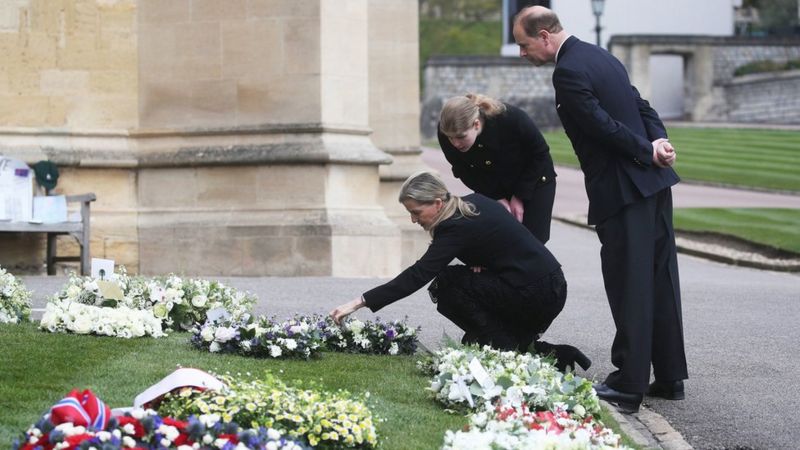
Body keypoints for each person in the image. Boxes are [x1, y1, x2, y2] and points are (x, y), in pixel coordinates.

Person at [512, 6, 688, 413]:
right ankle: (669, 376)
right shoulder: (601, 55)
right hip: (655, 185)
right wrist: (659, 142)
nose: (522, 54)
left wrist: (648, 149)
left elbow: (600, 125)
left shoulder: (568, 71)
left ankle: (628, 386)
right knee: (660, 280)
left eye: (523, 45)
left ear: (543, 36)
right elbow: (642, 106)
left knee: (630, 285)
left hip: (623, 189)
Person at [329, 171, 590, 372]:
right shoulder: (472, 204)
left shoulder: (454, 228)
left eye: (416, 212)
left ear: (437, 203)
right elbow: (503, 243)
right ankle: (554, 354)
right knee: (462, 290)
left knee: (448, 284)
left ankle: (504, 346)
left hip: (537, 293)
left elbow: (418, 275)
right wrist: (483, 261)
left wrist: (359, 302)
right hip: (547, 285)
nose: (413, 219)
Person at [437, 94, 556, 243]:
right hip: (490, 185)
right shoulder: (446, 131)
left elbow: (540, 154)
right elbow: (464, 171)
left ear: (476, 124)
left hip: (534, 179)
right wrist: (495, 197)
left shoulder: (511, 119)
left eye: (461, 137)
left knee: (533, 240)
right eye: (450, 138)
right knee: (499, 238)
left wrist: (520, 196)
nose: (455, 143)